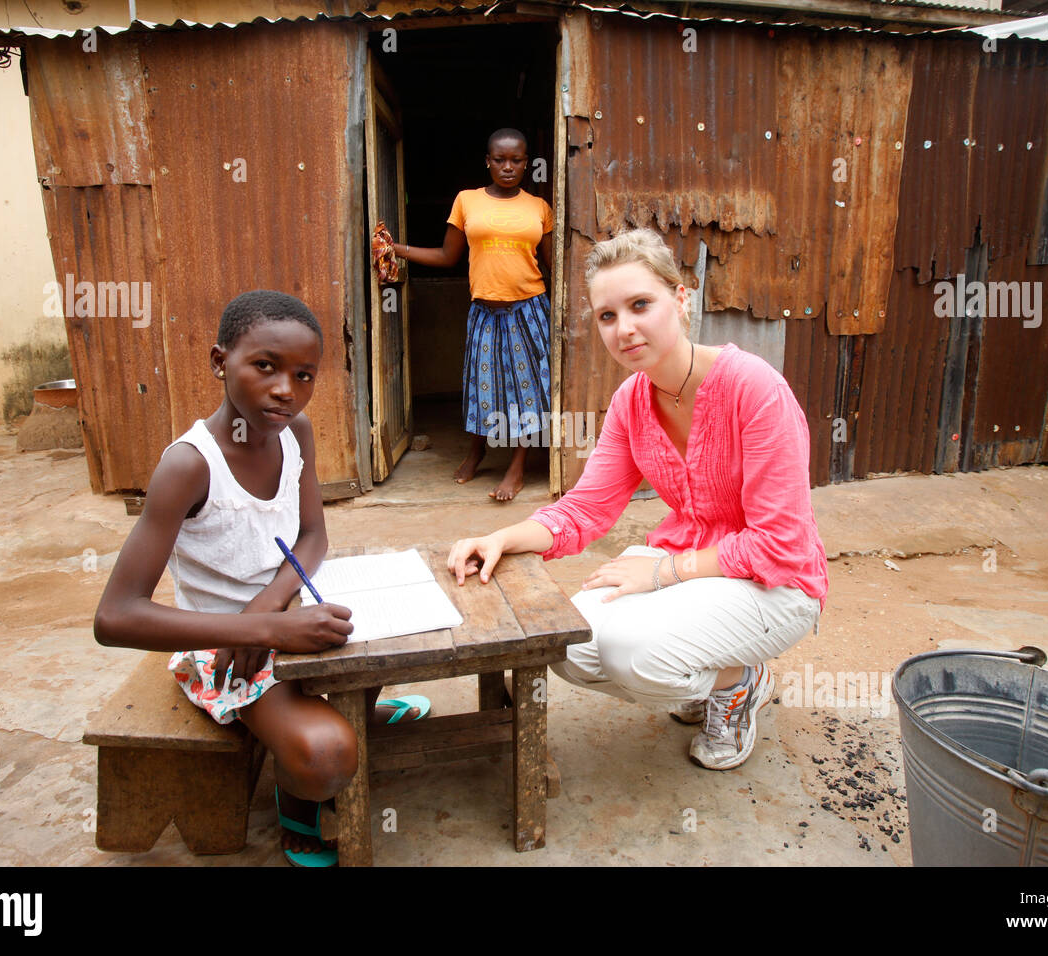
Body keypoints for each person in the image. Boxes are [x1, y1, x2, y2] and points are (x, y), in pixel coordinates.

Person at [447, 230, 828, 771]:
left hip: (776, 582)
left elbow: (780, 543)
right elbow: (584, 510)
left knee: (636, 654)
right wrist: (500, 538)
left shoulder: (753, 388)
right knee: (568, 645)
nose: (624, 329)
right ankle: (707, 675)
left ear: (681, 300)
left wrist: (663, 573)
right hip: (693, 566)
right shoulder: (632, 400)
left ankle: (741, 679)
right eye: (607, 315)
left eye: (640, 305)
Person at [93, 290, 428, 866]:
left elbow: (313, 539)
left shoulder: (295, 434)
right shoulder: (190, 465)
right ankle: (296, 791)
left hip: (273, 617)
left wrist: (268, 612)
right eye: (265, 367)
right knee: (325, 759)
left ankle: (357, 709)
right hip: (220, 646)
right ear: (220, 361)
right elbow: (114, 616)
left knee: (398, 626)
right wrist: (259, 631)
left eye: (303, 376)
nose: (285, 391)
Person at [392, 127, 553, 501]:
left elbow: (551, 266)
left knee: (528, 390)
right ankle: (478, 449)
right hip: (484, 310)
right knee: (483, 387)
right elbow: (447, 257)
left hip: (529, 310)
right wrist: (397, 249)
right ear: (488, 161)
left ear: (527, 163)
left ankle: (517, 466)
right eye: (500, 159)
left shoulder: (539, 207)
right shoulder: (467, 201)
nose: (508, 167)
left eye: (516, 160)